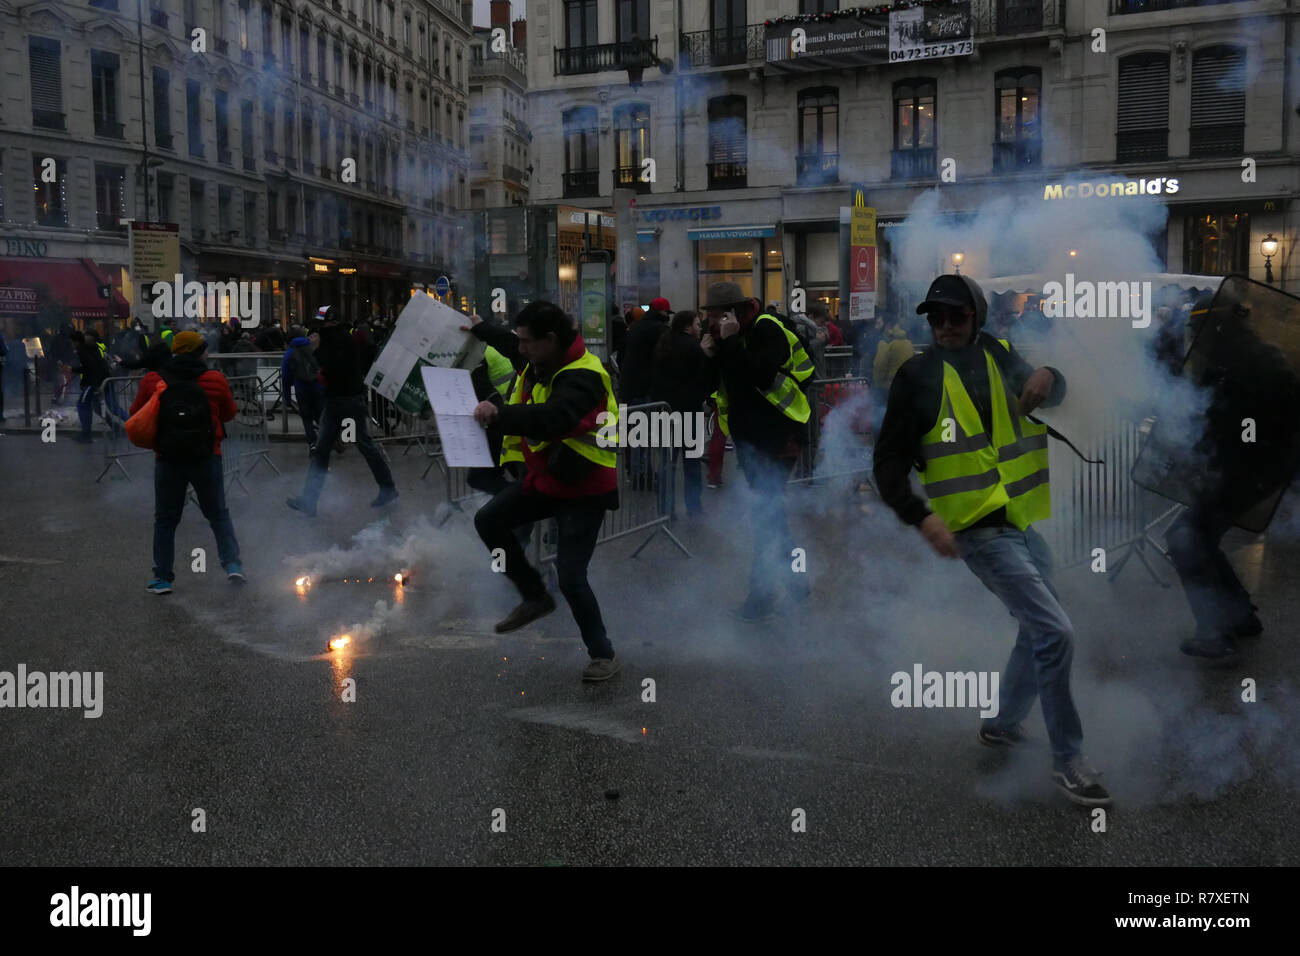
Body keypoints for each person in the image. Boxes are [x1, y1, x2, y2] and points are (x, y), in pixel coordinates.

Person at [873, 273, 1110, 808]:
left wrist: (1051, 374)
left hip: (1017, 519)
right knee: (1055, 631)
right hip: (977, 529)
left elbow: (1049, 394)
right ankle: (1067, 760)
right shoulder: (916, 376)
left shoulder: (998, 354)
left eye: (955, 316)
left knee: (1041, 624)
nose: (944, 326)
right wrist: (920, 516)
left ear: (976, 316)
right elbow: (887, 462)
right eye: (935, 317)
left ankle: (1003, 723)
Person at [470, 301, 621, 682]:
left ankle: (603, 654)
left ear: (550, 340)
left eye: (527, 342)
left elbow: (554, 418)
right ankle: (534, 596)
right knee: (489, 520)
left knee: (571, 577)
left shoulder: (583, 376)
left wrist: (499, 415)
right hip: (548, 478)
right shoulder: (542, 359)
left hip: (585, 486)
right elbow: (509, 343)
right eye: (519, 341)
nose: (520, 349)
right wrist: (480, 326)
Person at [1165, 291, 1300, 659]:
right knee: (1201, 536)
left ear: (1217, 324)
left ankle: (1213, 632)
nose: (1196, 335)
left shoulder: (1254, 361)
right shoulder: (1237, 357)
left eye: (1199, 326)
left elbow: (1250, 423)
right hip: (1246, 469)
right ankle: (1239, 616)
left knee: (1184, 536)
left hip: (1248, 469)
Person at [699, 282, 814, 621]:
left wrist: (731, 342)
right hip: (751, 438)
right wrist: (706, 356)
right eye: (710, 318)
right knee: (770, 515)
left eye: (719, 317)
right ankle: (794, 580)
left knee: (766, 515)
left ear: (738, 312)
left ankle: (762, 596)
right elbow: (709, 387)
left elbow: (761, 376)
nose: (713, 324)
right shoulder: (726, 340)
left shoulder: (767, 328)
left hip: (781, 436)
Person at [129, 331, 244, 593]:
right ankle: (233, 565)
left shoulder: (153, 380)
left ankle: (162, 577)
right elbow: (229, 412)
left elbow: (136, 413)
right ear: (199, 352)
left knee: (166, 520)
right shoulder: (214, 379)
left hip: (168, 458)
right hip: (207, 456)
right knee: (217, 514)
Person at [286, 305, 398, 517]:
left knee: (362, 445)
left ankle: (388, 488)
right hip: (338, 399)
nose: (318, 326)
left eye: (322, 321)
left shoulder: (339, 339)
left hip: (346, 400)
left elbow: (333, 367)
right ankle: (310, 500)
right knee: (324, 449)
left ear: (332, 321)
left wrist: (317, 351)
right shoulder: (334, 337)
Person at [650, 310, 712, 517]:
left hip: (665, 412)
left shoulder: (664, 345)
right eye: (697, 324)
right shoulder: (693, 348)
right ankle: (694, 506)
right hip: (689, 412)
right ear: (688, 327)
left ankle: (666, 509)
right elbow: (703, 380)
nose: (700, 327)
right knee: (691, 463)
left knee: (668, 464)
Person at [282, 328, 324, 451]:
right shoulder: (313, 348)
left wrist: (287, 398)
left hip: (301, 388)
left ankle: (312, 443)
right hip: (317, 387)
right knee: (321, 415)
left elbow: (285, 377)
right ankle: (328, 439)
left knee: (307, 418)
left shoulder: (289, 353)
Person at [69, 330, 110, 443]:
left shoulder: (82, 350)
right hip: (96, 381)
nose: (72, 345)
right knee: (95, 407)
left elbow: (91, 367)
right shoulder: (89, 347)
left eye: (72, 342)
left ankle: (86, 434)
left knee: (82, 405)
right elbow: (90, 365)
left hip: (92, 382)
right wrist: (72, 369)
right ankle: (115, 427)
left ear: (76, 342)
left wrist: (95, 385)